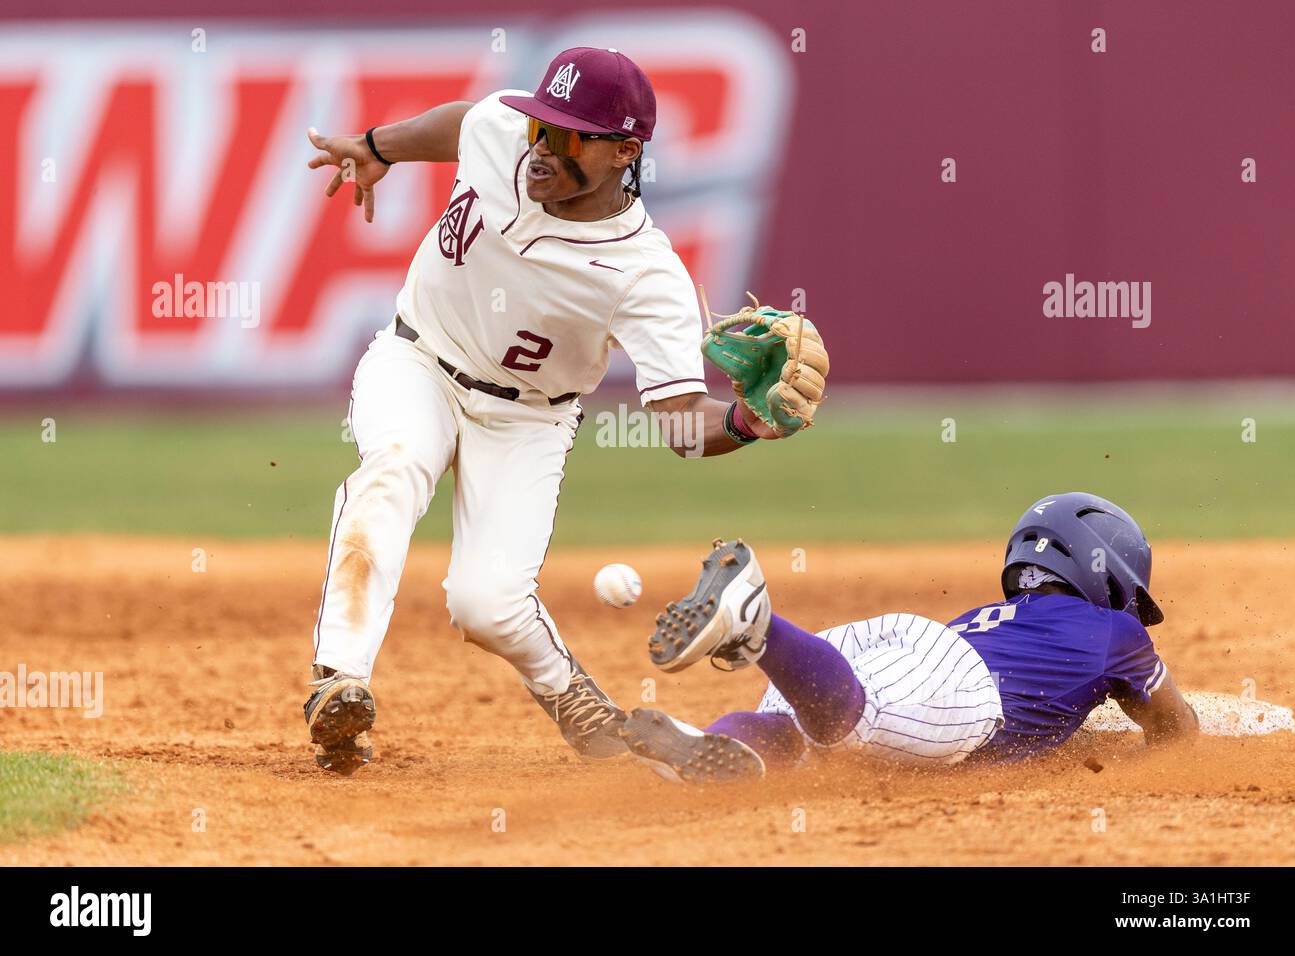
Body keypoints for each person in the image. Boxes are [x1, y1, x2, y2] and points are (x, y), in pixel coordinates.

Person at [299, 48, 819, 774]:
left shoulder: (645, 276)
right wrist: (377, 146)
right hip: (415, 357)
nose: (541, 148)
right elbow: (465, 124)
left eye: (568, 137)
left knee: (485, 604)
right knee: (394, 467)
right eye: (542, 126)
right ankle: (340, 681)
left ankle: (574, 698)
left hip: (528, 418)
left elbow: (677, 424)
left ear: (624, 153)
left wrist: (744, 423)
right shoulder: (507, 134)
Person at [622, 492, 1200, 782]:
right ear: (1107, 572)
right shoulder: (1115, 630)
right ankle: (759, 625)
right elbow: (1177, 729)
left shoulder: (992, 616)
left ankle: (708, 743)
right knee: (857, 718)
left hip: (903, 642)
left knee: (801, 737)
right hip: (962, 687)